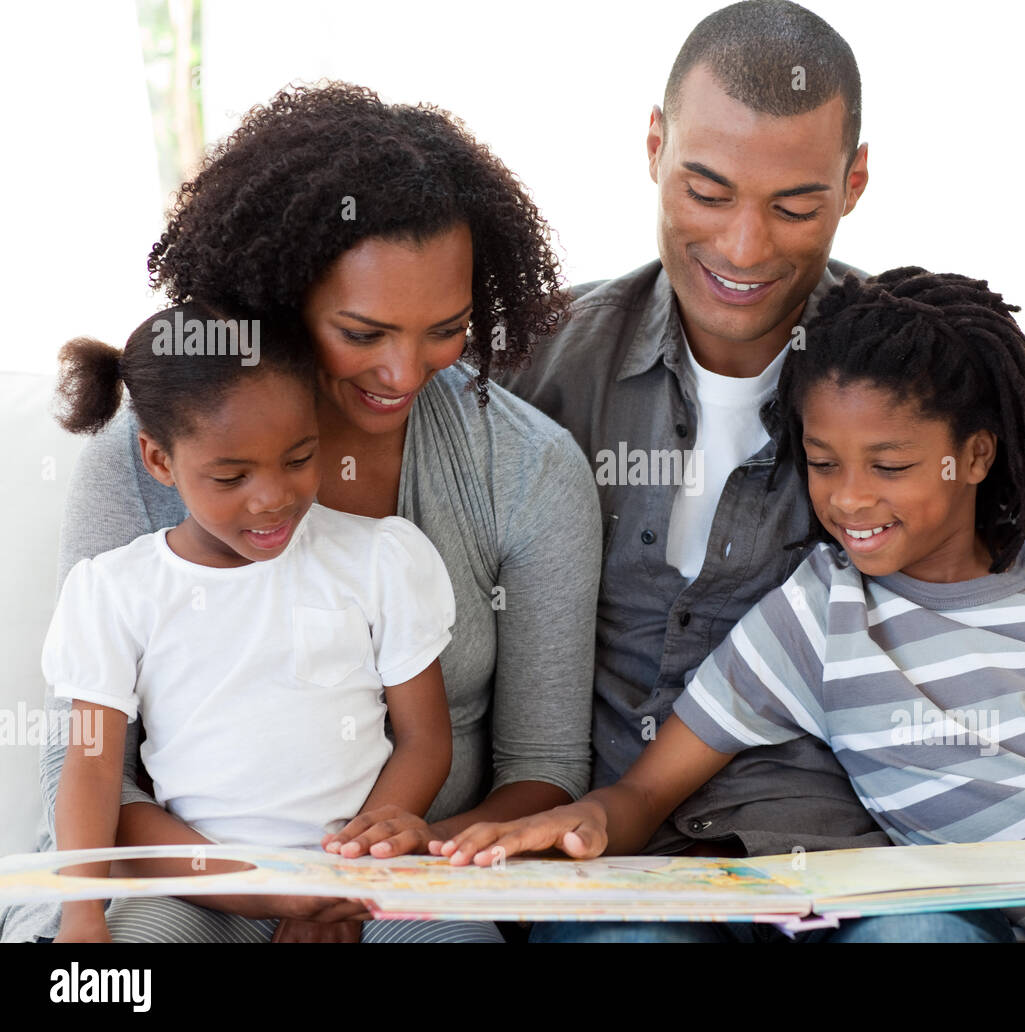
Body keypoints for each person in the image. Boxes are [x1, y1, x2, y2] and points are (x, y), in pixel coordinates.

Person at [486, 0, 1025, 941]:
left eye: (796, 204)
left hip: (867, 884)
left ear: (854, 182)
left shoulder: (938, 384)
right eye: (707, 189)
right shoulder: (535, 368)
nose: (743, 247)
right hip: (629, 872)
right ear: (654, 146)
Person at [442, 268, 1025, 943]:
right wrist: (581, 824)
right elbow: (648, 790)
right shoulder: (814, 619)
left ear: (973, 456)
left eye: (889, 467)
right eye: (822, 463)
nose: (850, 499)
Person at [0, 83, 601, 943]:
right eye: (363, 333)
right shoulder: (147, 455)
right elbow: (95, 772)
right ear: (280, 300)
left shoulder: (526, 471)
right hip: (169, 880)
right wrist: (263, 890)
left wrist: (386, 859)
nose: (404, 372)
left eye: (445, 328)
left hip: (399, 881)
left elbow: (542, 768)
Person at [46, 302, 503, 943]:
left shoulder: (378, 558)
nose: (273, 498)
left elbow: (425, 739)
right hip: (199, 892)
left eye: (298, 458)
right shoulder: (114, 591)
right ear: (158, 461)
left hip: (363, 884)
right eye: (231, 476)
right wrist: (82, 915)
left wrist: (351, 873)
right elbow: (92, 770)